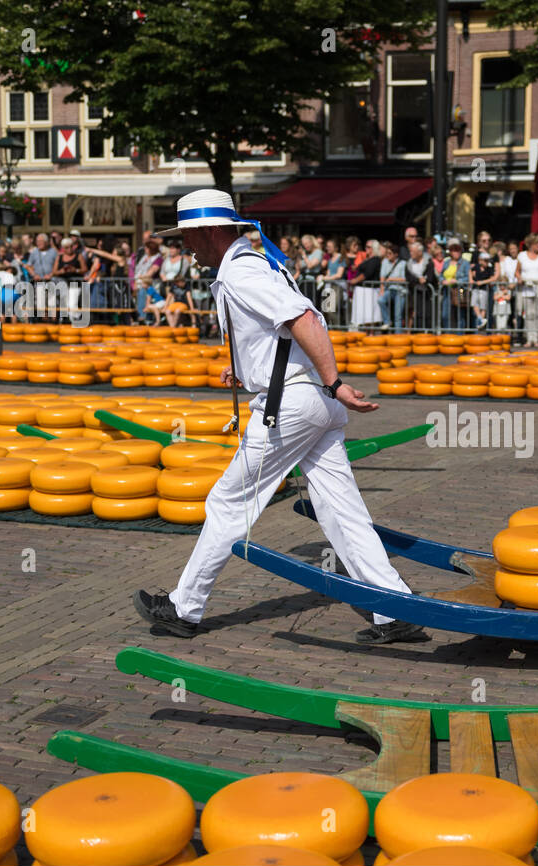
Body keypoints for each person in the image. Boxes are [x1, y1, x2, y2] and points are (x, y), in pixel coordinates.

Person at [133, 189, 429, 645]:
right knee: (341, 510)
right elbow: (279, 331)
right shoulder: (255, 262)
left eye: (189, 237)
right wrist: (252, 367)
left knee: (229, 502)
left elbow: (306, 320)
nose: (186, 247)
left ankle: (183, 607)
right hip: (309, 400)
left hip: (291, 404)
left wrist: (334, 382)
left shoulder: (242, 270)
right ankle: (393, 608)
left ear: (212, 231)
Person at [517, 234, 538, 346]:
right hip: (527, 289)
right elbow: (517, 271)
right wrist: (519, 278)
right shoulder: (522, 255)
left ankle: (536, 338)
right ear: (531, 244)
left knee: (537, 313)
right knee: (528, 314)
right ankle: (529, 338)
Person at [377, 241, 407, 330]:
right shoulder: (385, 262)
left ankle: (398, 336)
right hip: (389, 289)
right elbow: (382, 276)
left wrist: (392, 279)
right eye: (387, 253)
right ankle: (387, 321)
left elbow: (404, 279)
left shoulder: (403, 263)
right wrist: (381, 289)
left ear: (396, 254)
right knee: (381, 300)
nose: (388, 255)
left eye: (390, 253)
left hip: (400, 290)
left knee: (398, 315)